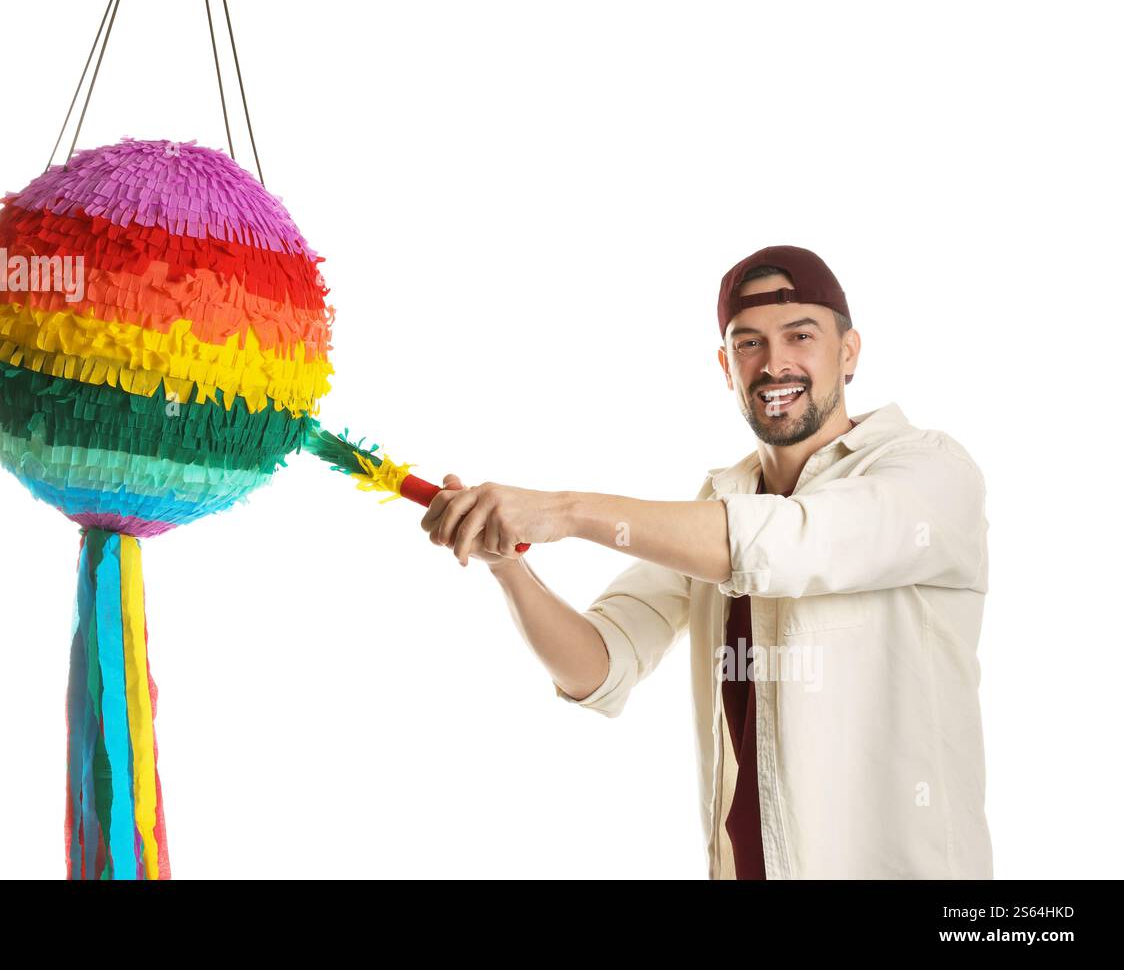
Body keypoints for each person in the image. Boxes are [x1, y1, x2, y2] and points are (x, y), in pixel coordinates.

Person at [420, 245, 992, 879]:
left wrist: (565, 511)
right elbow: (599, 665)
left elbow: (787, 543)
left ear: (849, 351)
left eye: (800, 336)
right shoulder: (718, 508)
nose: (775, 364)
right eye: (749, 344)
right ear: (726, 366)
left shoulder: (930, 473)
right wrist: (508, 566)